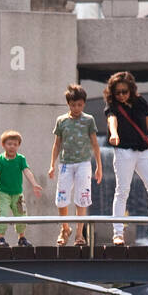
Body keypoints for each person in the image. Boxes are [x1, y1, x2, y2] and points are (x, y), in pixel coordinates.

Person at [103, 71, 148, 246]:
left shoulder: (140, 103)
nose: (122, 95)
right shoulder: (113, 106)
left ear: (131, 90)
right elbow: (112, 120)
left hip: (143, 150)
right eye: (118, 92)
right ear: (113, 93)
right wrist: (114, 135)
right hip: (124, 151)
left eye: (125, 91)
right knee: (122, 191)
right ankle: (118, 233)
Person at [48, 84, 103, 246]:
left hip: (84, 164)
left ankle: (79, 233)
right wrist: (52, 164)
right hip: (66, 164)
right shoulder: (62, 121)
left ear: (84, 104)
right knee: (61, 198)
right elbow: (57, 144)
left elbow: (95, 144)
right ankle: (65, 228)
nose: (76, 108)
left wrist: (99, 165)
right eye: (73, 105)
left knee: (82, 198)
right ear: (68, 104)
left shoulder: (88, 120)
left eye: (79, 105)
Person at [0, 130, 42, 247]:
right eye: (9, 144)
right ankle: (0, 238)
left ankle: (22, 238)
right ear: (3, 145)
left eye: (15, 144)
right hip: (3, 192)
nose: (12, 147)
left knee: (21, 214)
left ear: (18, 145)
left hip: (17, 193)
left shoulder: (20, 159)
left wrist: (34, 184)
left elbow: (27, 171)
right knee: (2, 213)